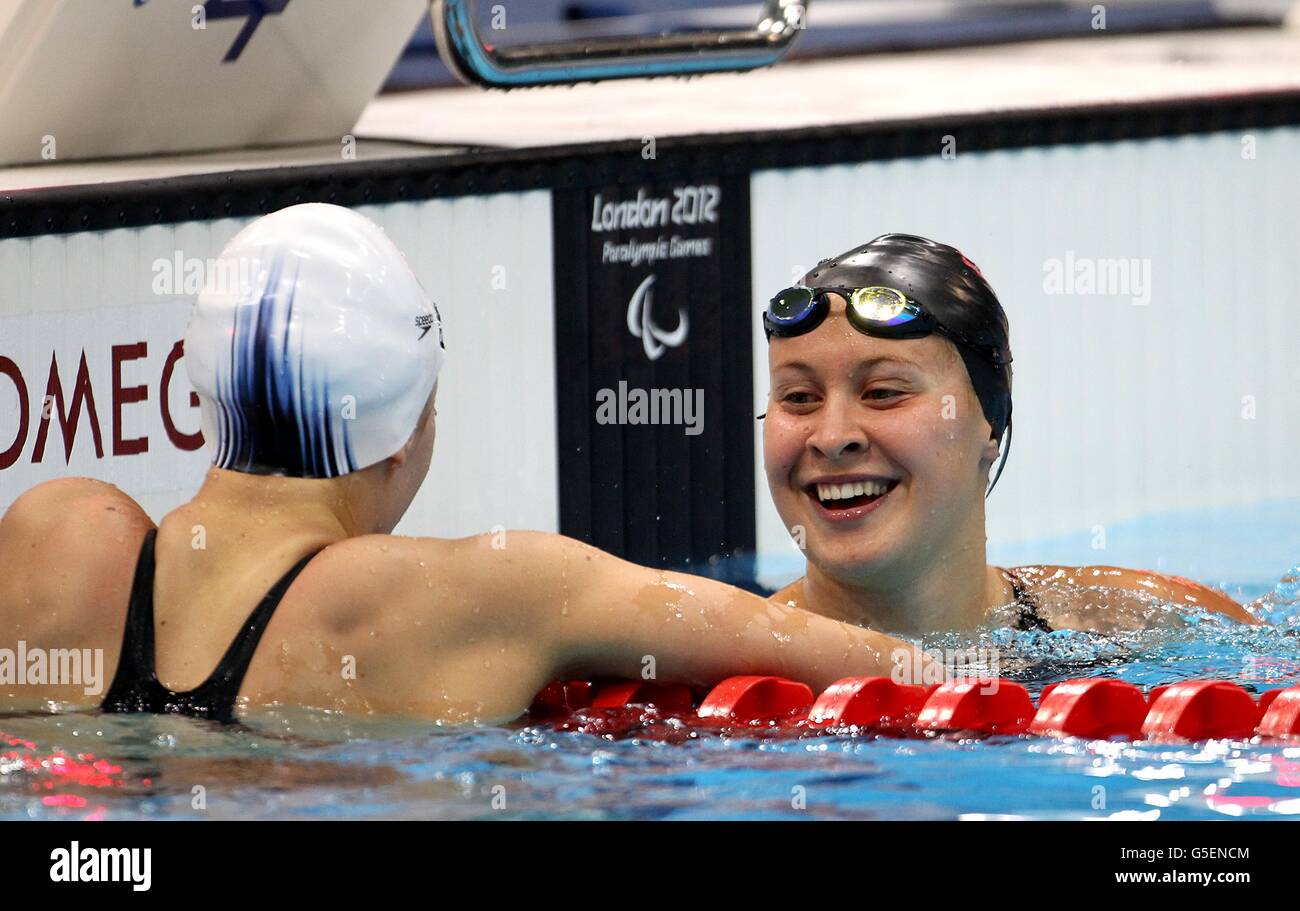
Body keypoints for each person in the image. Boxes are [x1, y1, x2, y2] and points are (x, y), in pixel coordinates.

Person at [0, 205, 939, 724]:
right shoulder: (480, 591)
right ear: (406, 425)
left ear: (202, 399)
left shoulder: (53, 534)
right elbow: (862, 662)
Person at [760, 233, 1257, 636]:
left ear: (989, 423)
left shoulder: (1149, 625)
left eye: (884, 392)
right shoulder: (714, 658)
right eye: (798, 397)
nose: (832, 436)